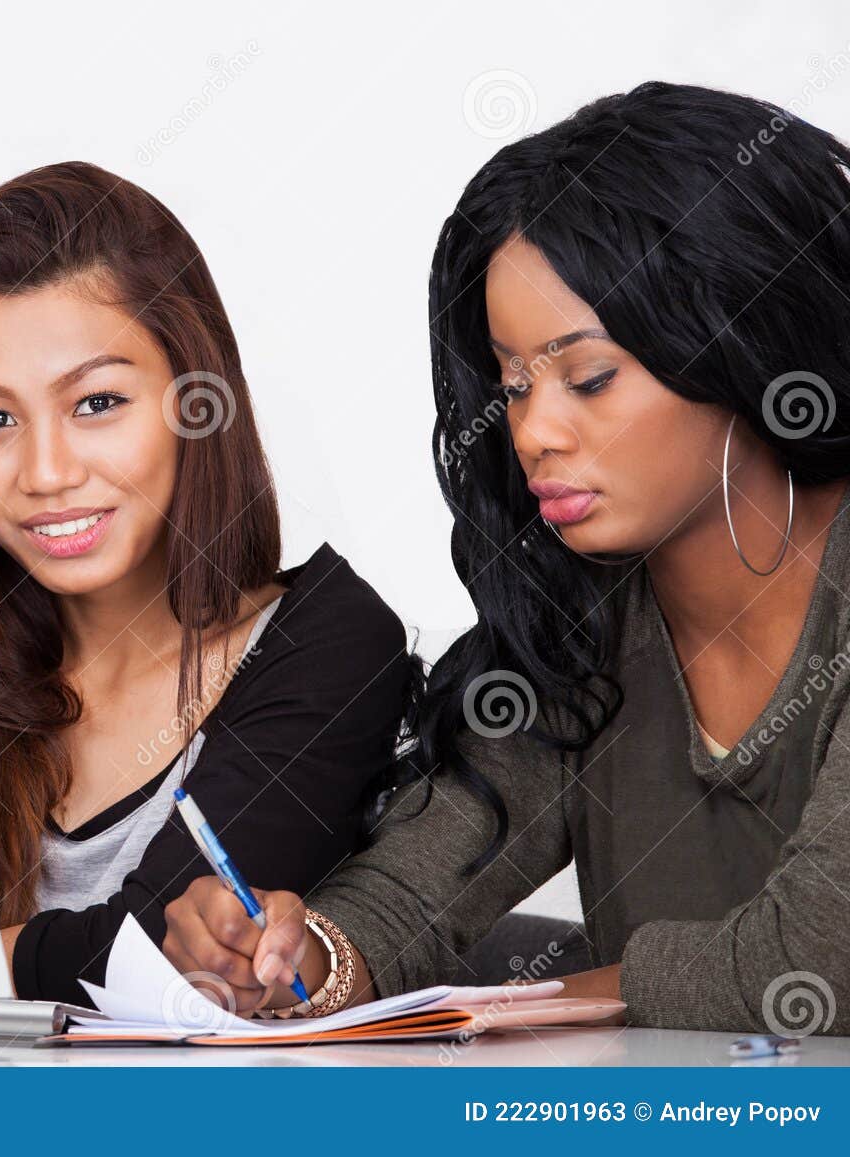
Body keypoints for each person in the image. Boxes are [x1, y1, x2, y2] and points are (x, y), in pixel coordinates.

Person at [162, 82, 850, 1035]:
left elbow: (819, 957)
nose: (533, 431)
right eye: (513, 383)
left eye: (589, 377)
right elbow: (410, 898)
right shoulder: (583, 620)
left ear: (735, 343)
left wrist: (542, 999)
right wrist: (295, 957)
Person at [0, 161, 413, 1006]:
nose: (46, 472)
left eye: (96, 402)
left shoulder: (329, 647)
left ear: (195, 396)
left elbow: (159, 960)